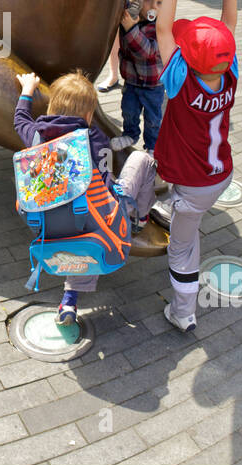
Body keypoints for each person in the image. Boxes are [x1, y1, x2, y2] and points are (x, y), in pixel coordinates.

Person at [14, 70, 157, 326]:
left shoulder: (36, 137)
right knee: (142, 160)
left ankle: (69, 300)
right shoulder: (95, 140)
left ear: (52, 106)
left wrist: (27, 89)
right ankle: (141, 218)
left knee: (79, 228)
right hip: (98, 219)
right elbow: (104, 183)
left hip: (54, 225)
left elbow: (20, 119)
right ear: (89, 116)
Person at [151, 0, 240, 333]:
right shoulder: (229, 73)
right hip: (220, 175)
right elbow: (230, 26)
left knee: (183, 247)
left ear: (187, 58)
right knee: (188, 220)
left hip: (194, 185)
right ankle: (177, 210)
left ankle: (183, 312)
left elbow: (162, 28)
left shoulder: (181, 80)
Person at [109, 0, 165, 152]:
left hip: (153, 84)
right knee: (129, 111)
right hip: (132, 81)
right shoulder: (132, 17)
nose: (154, 6)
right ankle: (130, 135)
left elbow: (147, 52)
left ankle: (152, 146)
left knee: (153, 118)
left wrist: (131, 29)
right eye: (148, 0)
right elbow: (121, 4)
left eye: (159, 2)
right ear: (139, 1)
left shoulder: (159, 27)